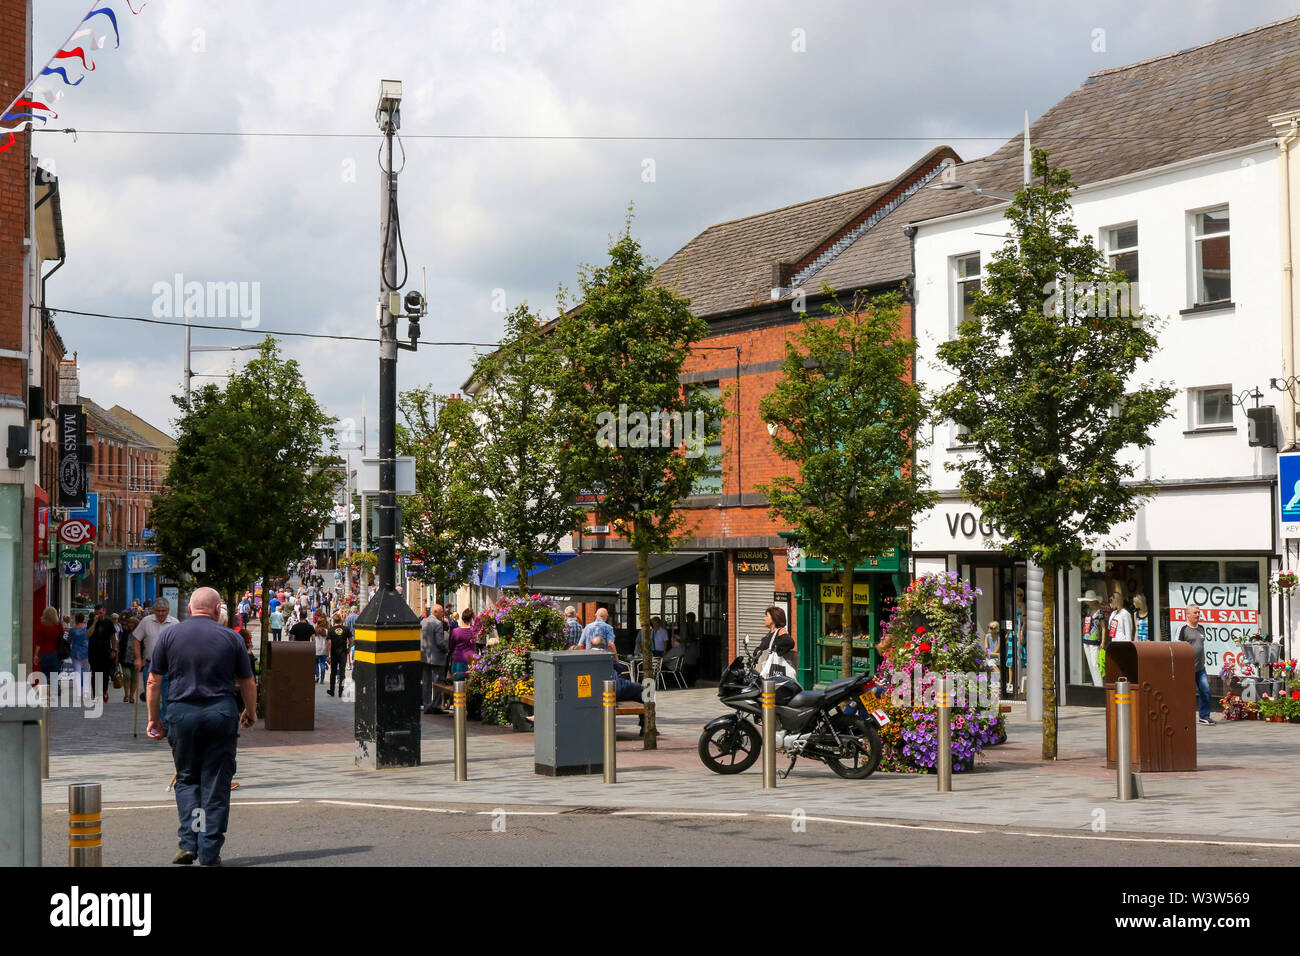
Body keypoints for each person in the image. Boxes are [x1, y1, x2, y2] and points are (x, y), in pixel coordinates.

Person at [148, 586, 257, 867]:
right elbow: (247, 682)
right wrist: (250, 711)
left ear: (190, 608)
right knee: (216, 783)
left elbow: (153, 681)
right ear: (218, 608)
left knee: (187, 778)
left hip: (182, 715)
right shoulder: (231, 637)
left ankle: (188, 842)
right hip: (219, 714)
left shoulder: (169, 635)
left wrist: (154, 718)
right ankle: (208, 852)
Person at [134, 598, 179, 734]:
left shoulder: (175, 623)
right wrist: (137, 658)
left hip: (168, 666)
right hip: (150, 665)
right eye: (158, 611)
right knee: (151, 697)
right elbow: (136, 638)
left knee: (167, 697)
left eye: (164, 611)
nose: (161, 614)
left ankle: (164, 726)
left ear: (168, 610)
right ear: (154, 610)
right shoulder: (146, 621)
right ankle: (155, 722)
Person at [1176, 606, 1214, 725]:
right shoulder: (1183, 628)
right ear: (1188, 615)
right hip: (1186, 668)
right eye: (1195, 613)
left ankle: (1204, 716)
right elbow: (1177, 647)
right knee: (1185, 693)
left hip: (1200, 667)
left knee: (1206, 690)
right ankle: (1183, 716)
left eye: (1199, 613)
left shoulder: (1201, 628)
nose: (1198, 615)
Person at [33, 605, 63, 687]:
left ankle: (45, 694)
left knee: (45, 675)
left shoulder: (42, 626)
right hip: (56, 654)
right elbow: (62, 636)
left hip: (45, 654)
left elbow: (39, 642)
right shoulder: (59, 626)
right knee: (54, 676)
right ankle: (53, 694)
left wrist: (36, 655)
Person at [448, 608, 477, 679]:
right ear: (471, 619)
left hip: (458, 658)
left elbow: (451, 646)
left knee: (458, 684)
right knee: (472, 683)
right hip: (472, 659)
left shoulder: (455, 631)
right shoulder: (473, 630)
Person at [68, 613, 91, 702]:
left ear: (76, 619)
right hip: (86, 652)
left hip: (76, 653)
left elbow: (68, 641)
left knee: (77, 673)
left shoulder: (72, 630)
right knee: (87, 672)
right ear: (83, 619)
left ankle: (78, 694)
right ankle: (85, 693)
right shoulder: (87, 629)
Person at [327, 613, 350, 697]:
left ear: (334, 620)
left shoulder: (331, 630)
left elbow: (329, 643)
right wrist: (349, 649)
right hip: (343, 653)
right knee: (342, 672)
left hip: (334, 653)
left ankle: (332, 690)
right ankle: (341, 691)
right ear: (340, 620)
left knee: (333, 672)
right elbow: (351, 640)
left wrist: (327, 655)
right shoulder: (346, 629)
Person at [118, 616, 139, 704]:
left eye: (132, 623)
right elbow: (120, 645)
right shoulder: (125, 633)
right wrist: (117, 657)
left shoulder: (140, 634)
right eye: (129, 622)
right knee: (127, 676)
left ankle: (131, 696)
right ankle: (126, 695)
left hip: (136, 660)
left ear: (136, 624)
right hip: (125, 658)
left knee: (134, 679)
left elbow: (144, 646)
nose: (129, 624)